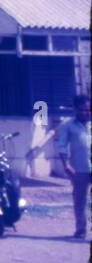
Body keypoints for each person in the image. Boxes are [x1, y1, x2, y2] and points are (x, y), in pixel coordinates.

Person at [55, 94, 91, 239]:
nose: (86, 113)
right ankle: (81, 230)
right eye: (82, 110)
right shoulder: (67, 125)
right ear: (75, 109)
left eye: (89, 110)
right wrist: (66, 165)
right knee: (80, 201)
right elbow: (62, 146)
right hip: (79, 169)